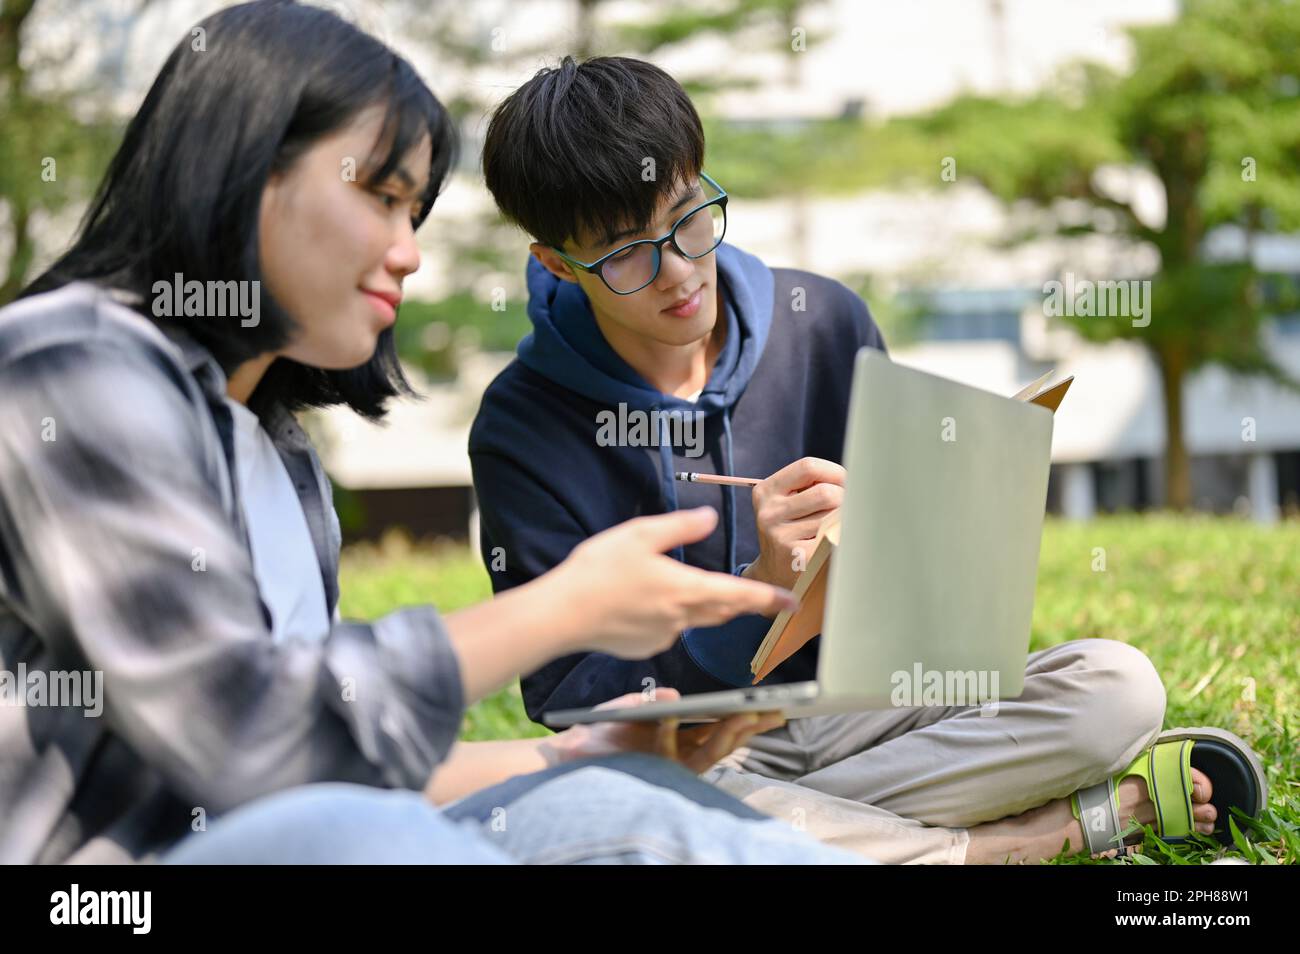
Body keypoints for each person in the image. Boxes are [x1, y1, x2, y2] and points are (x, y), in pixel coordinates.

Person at [0, 1, 868, 866]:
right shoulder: (71, 364)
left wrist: (583, 759)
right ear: (243, 169)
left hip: (312, 836)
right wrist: (566, 607)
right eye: (381, 198)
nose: (408, 251)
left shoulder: (277, 450)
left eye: (413, 212)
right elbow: (246, 736)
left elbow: (320, 772)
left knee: (632, 804)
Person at [469, 55, 1222, 864]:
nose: (682, 272)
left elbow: (924, 617)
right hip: (691, 756)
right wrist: (759, 596)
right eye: (626, 255)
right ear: (556, 264)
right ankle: (1018, 843)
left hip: (862, 712)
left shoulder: (822, 323)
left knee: (1116, 689)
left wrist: (912, 533)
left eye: (689, 217)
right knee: (611, 795)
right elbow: (569, 703)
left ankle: (783, 841)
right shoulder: (522, 427)